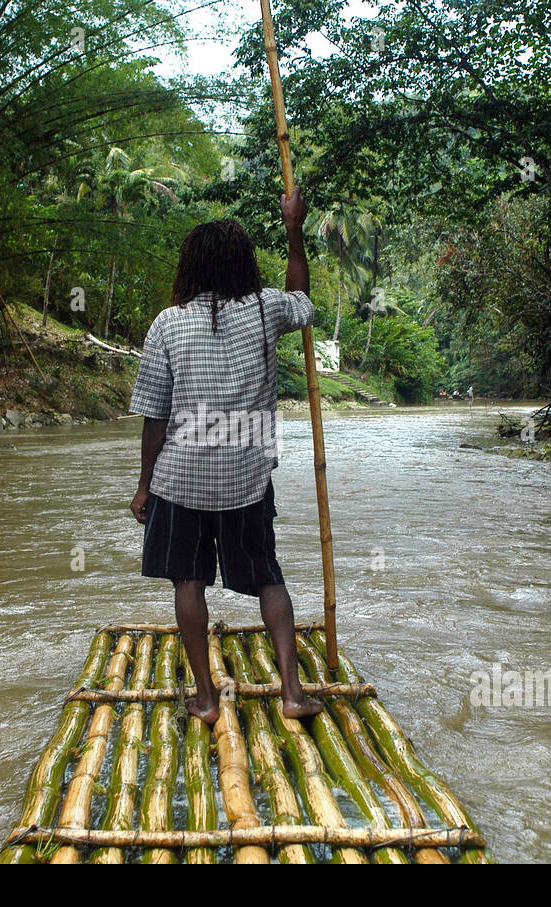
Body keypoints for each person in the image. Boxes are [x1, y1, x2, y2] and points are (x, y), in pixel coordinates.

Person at [127, 190, 324, 726]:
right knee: (267, 578)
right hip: (247, 476)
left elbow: (155, 417)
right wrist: (293, 228)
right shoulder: (265, 310)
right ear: (244, 266)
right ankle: (291, 692)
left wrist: (144, 486)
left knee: (188, 582)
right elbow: (302, 298)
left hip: (181, 477)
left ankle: (208, 700)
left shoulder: (167, 324)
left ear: (191, 266)